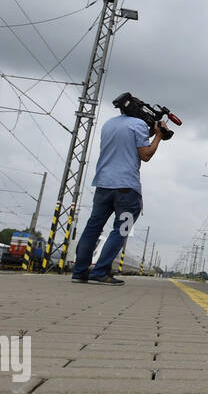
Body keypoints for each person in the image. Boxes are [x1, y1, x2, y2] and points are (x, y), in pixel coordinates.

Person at [71, 99, 165, 284]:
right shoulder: (138, 124)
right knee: (121, 230)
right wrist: (158, 136)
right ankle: (100, 273)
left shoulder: (109, 124)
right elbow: (145, 154)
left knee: (93, 228)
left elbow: (128, 142)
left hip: (103, 185)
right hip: (126, 189)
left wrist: (151, 132)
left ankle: (79, 272)